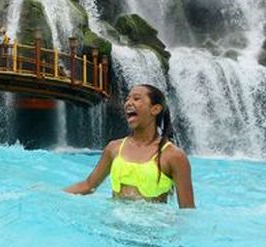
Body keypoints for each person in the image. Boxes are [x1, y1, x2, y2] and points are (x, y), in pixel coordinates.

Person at [64, 84, 195, 208]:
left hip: (153, 229)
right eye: (127, 99)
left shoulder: (173, 156)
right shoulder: (113, 148)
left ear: (155, 109)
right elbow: (88, 185)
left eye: (136, 98)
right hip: (112, 227)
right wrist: (50, 193)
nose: (128, 103)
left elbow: (187, 210)